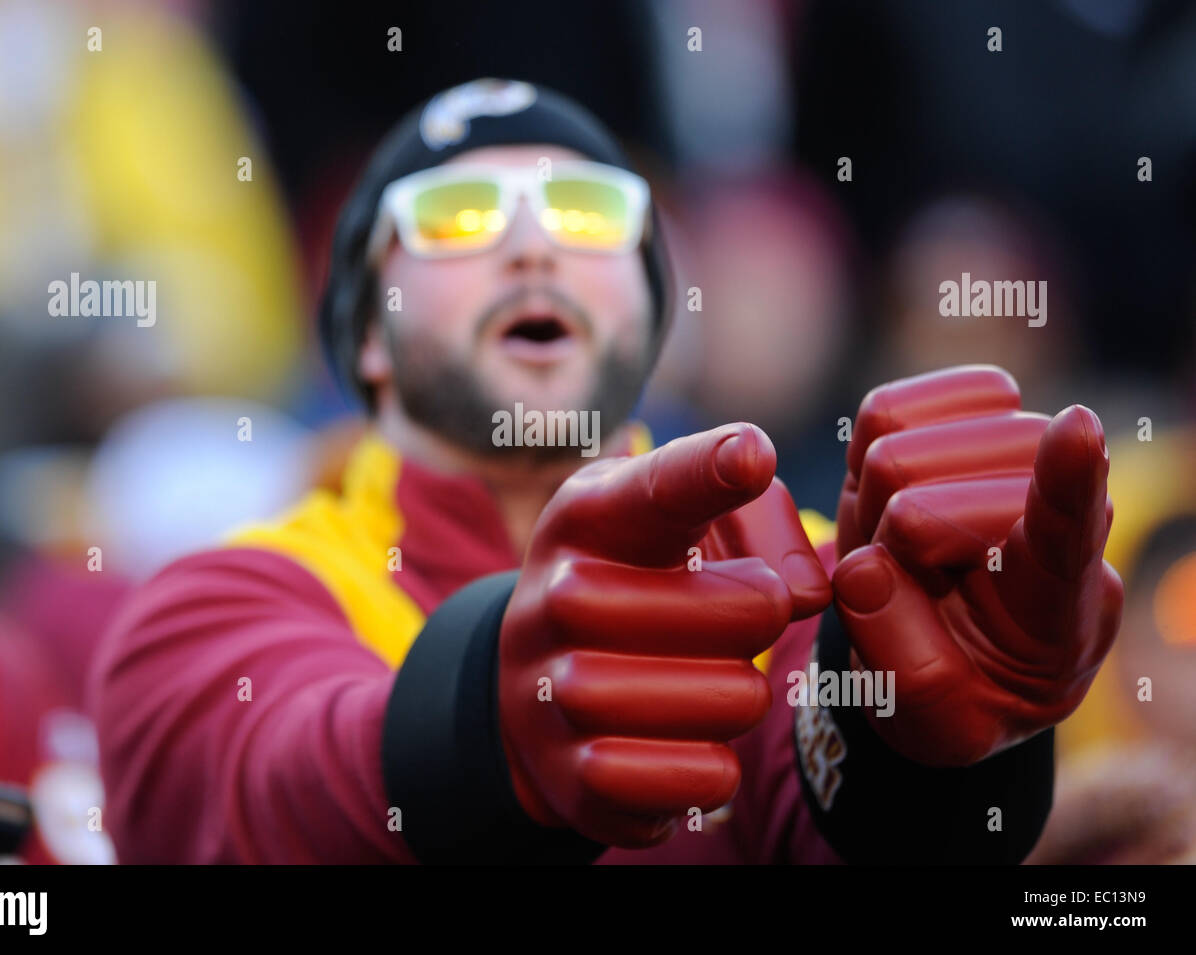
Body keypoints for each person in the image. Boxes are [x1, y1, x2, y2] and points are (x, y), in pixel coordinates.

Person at [90, 79, 1122, 864]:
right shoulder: (220, 597)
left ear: (649, 313)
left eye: (587, 214)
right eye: (455, 217)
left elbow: (804, 808)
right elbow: (259, 788)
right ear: (365, 334)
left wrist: (930, 759)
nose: (532, 246)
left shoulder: (807, 561)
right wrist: (484, 737)